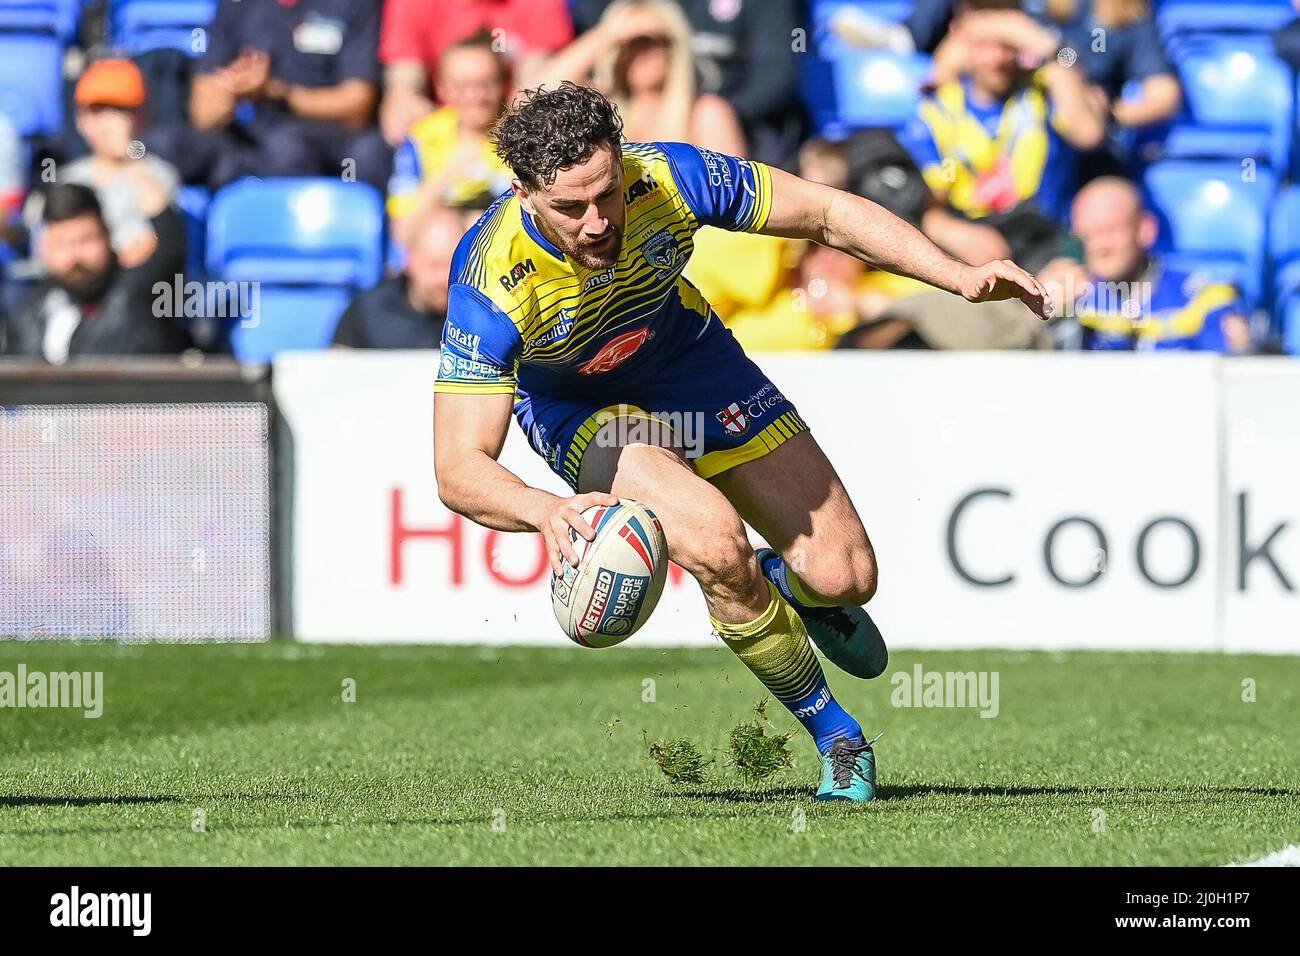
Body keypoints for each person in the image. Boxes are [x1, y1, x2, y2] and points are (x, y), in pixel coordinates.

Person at [433, 83, 1049, 801]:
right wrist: (545, 512)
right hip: (584, 405)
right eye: (571, 208)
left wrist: (958, 276)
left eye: (609, 195)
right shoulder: (490, 284)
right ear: (523, 192)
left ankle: (786, 584)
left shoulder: (670, 176)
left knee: (846, 577)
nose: (599, 222)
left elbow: (826, 211)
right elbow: (457, 466)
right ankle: (838, 736)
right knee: (714, 547)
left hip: (692, 363)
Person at [900, 0, 1108, 271]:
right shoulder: (938, 111)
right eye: (984, 44)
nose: (996, 58)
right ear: (960, 40)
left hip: (1048, 248)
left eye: (1007, 44)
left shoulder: (1044, 90)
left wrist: (1048, 47)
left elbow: (1089, 133)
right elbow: (930, 206)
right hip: (975, 251)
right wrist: (954, 232)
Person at [145, 0, 390, 191]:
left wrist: (279, 93)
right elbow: (203, 115)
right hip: (251, 140)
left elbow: (358, 107)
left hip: (329, 142)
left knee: (288, 149)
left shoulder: (354, 4)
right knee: (158, 146)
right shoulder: (237, 5)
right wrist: (234, 87)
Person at [1041, 177, 1250, 352]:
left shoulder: (1201, 296)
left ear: (1145, 229)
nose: (1097, 247)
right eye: (1086, 236)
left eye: (1108, 232)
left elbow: (1222, 379)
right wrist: (1039, 314)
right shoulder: (1069, 296)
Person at [2, 184, 190, 361]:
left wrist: (131, 156)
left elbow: (170, 244)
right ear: (44, 248)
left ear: (107, 236)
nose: (74, 257)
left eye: (86, 240)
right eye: (61, 244)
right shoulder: (26, 312)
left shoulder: (140, 295)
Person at [530, 0, 745, 154]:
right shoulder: (601, 110)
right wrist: (608, 33)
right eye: (629, 44)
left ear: (675, 47)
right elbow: (535, 97)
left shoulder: (706, 113)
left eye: (650, 41)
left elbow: (734, 197)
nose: (640, 53)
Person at [378, 0, 574, 146]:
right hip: (443, 127)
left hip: (511, 126)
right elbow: (404, 80)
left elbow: (536, 86)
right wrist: (404, 99)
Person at [386, 34, 512, 248]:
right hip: (437, 256)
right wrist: (447, 175)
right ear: (441, 87)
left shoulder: (520, 137)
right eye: (462, 86)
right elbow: (402, 234)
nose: (476, 96)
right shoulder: (422, 137)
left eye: (486, 83)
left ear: (503, 84)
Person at [60, 59, 181, 269]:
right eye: (98, 110)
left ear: (143, 116)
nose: (110, 120)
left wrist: (129, 155)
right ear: (80, 119)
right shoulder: (68, 180)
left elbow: (158, 247)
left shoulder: (160, 176)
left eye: (121, 109)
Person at [331, 208, 459, 348]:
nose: (444, 278)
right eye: (435, 266)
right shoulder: (368, 310)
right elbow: (336, 364)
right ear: (410, 260)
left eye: (453, 267)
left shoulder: (478, 318)